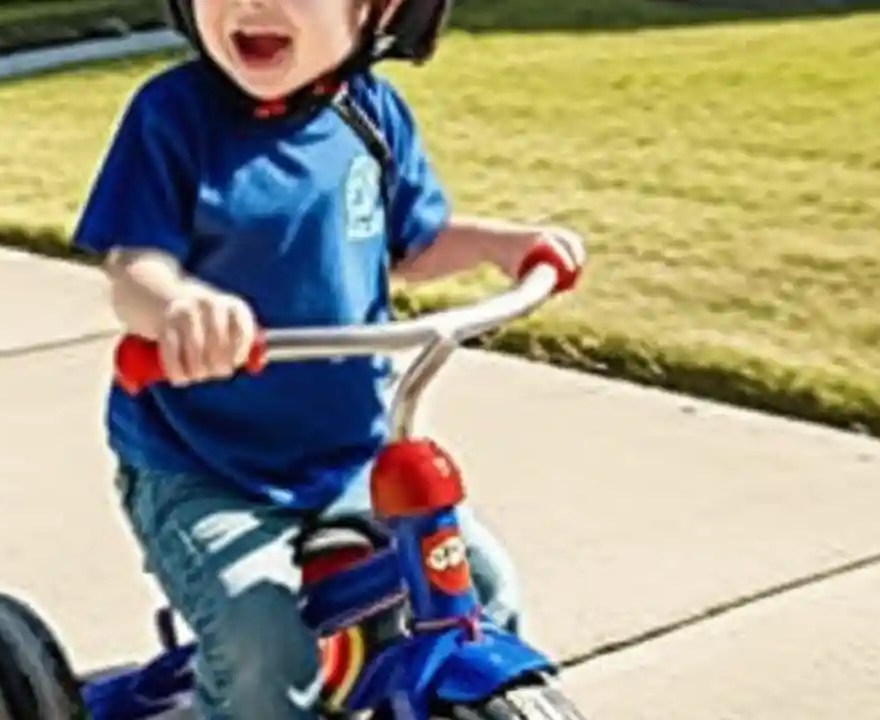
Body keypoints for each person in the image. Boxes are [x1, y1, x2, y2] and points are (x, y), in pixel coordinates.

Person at [71, 0, 584, 717]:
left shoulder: (370, 114)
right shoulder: (173, 117)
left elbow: (416, 244)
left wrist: (507, 246)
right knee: (264, 651)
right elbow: (133, 272)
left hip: (351, 454)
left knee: (480, 587)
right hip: (207, 468)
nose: (253, 3)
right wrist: (180, 307)